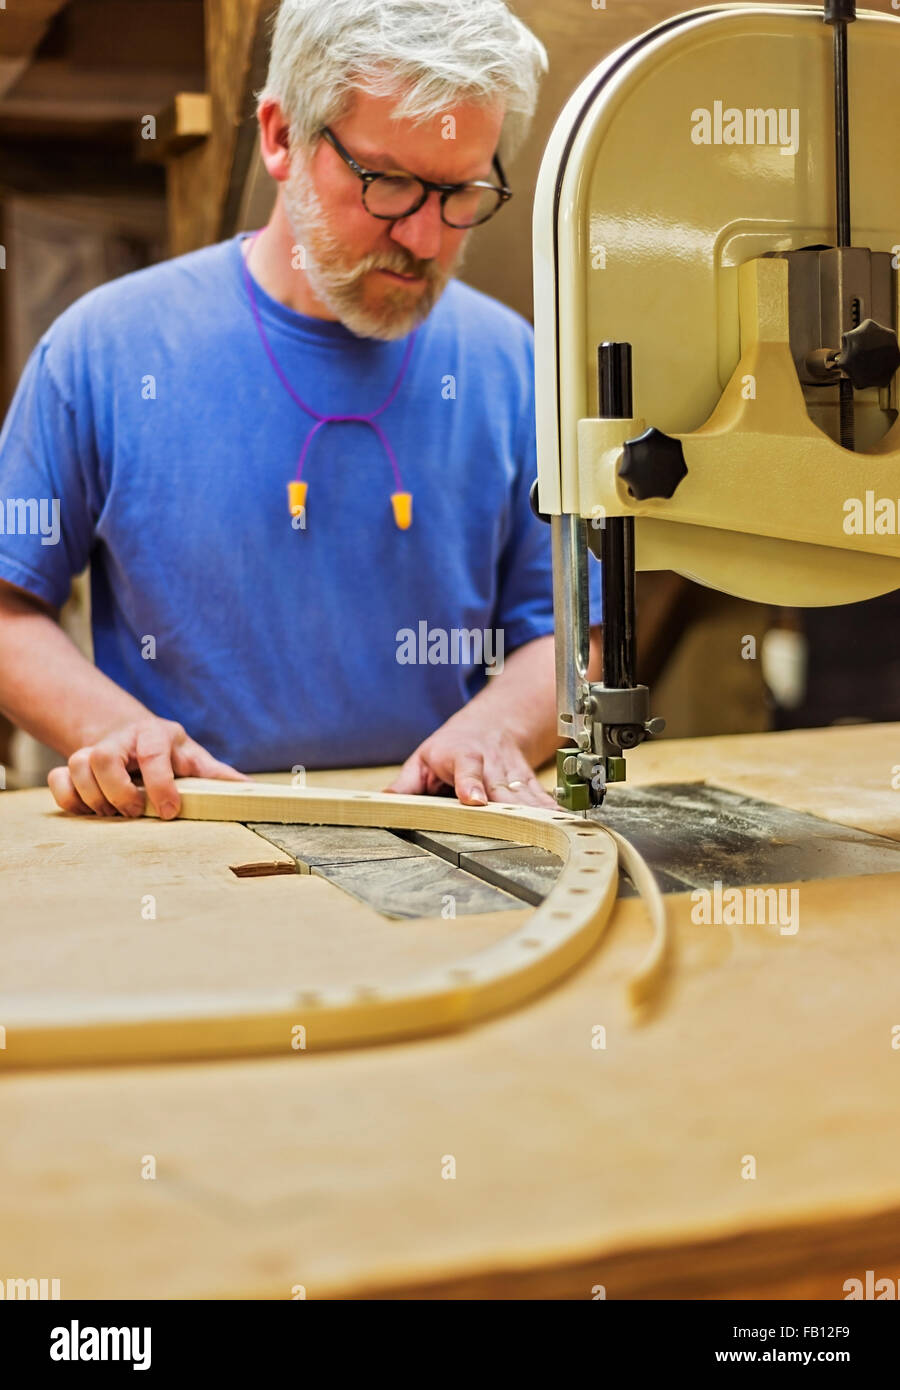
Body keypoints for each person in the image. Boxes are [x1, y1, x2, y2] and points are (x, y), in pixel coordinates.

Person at [0, 0, 601, 820]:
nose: (426, 240)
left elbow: (573, 635)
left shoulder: (514, 364)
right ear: (281, 136)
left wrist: (494, 733)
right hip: (185, 841)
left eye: (461, 192)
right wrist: (116, 730)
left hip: (438, 840)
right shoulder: (104, 348)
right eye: (389, 184)